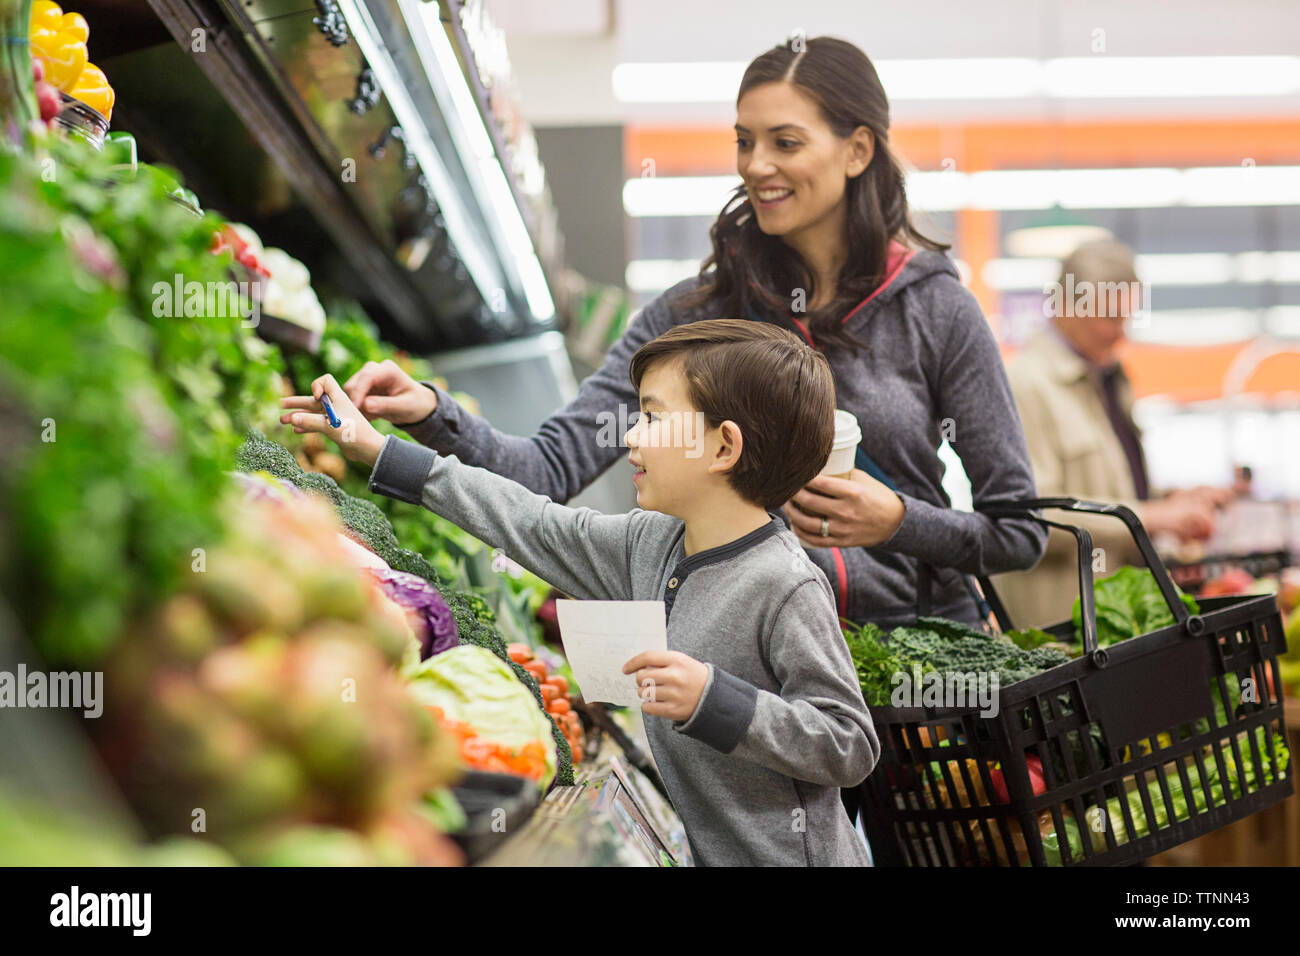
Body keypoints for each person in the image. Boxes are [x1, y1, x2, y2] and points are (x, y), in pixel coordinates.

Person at [325, 36, 1046, 630]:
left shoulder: (937, 311)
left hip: (920, 675)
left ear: (857, 151)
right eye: (745, 142)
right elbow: (547, 469)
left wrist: (897, 521)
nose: (757, 166)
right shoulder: (694, 313)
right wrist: (434, 413)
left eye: (785, 142)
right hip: (752, 666)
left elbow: (1019, 531)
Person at [283, 320, 880, 866]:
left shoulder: (785, 584)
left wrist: (715, 699)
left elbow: (849, 744)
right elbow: (529, 521)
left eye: (651, 416)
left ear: (723, 447)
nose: (630, 435)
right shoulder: (651, 543)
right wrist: (377, 449)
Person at [992, 239, 1232, 627]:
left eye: (1126, 318)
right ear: (1066, 306)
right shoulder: (1025, 384)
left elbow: (1114, 491)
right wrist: (1154, 516)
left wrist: (1173, 501)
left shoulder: (1109, 379)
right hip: (1060, 633)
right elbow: (1033, 517)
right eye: (1109, 318)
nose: (1121, 334)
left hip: (1115, 620)